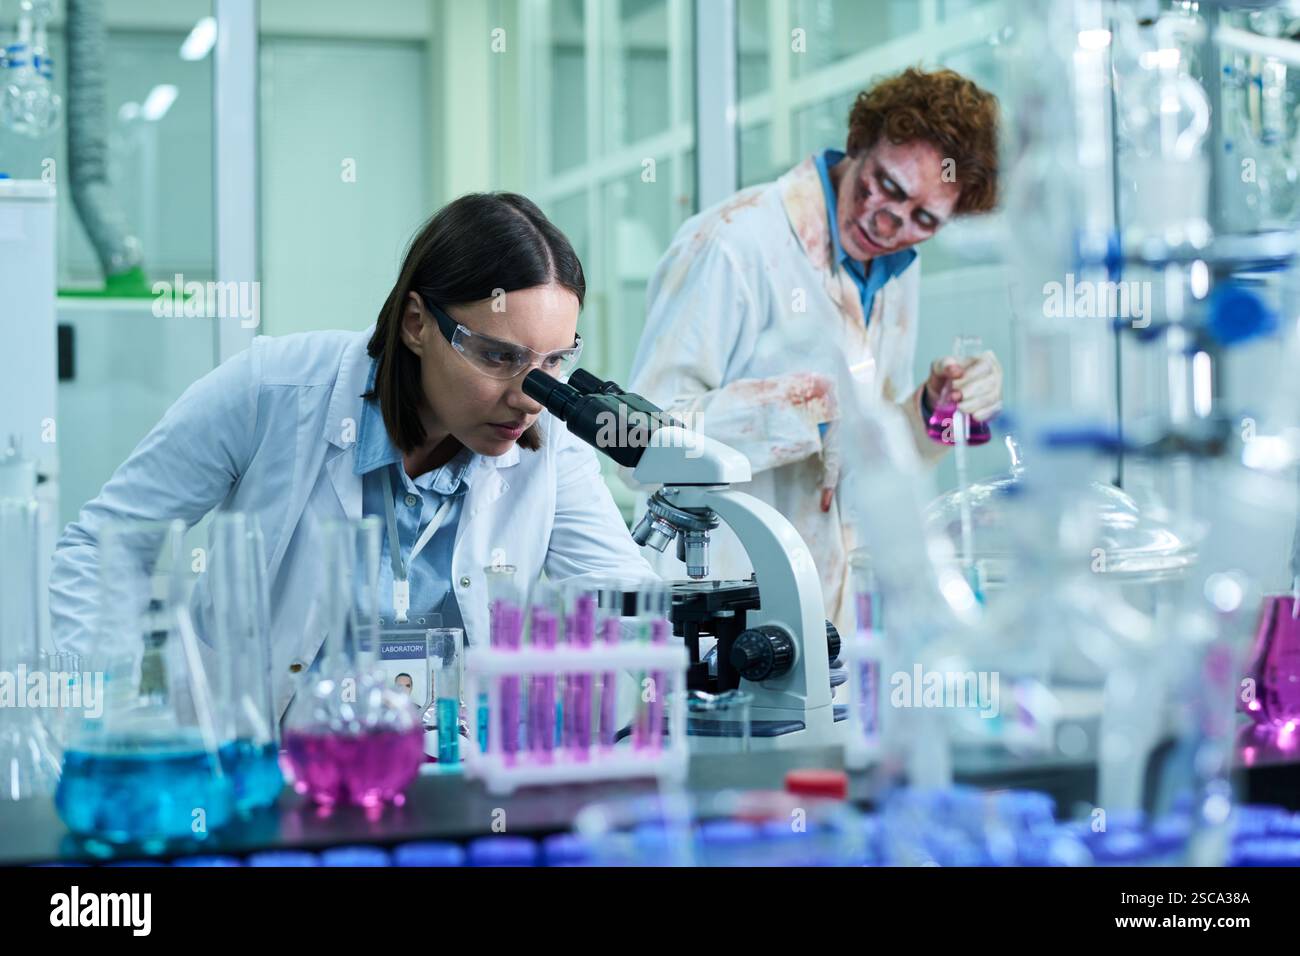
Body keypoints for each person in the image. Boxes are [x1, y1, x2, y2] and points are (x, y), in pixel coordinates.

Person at [51, 193, 653, 718]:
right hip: (267, 769)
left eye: (553, 362)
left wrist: (712, 674)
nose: (529, 397)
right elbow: (103, 550)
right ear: (417, 323)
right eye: (498, 357)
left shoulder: (548, 447)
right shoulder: (273, 390)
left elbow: (631, 607)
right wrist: (108, 726)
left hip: (449, 779)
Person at [626, 68, 1003, 634]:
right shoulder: (733, 243)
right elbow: (643, 443)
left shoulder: (898, 274)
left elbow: (864, 459)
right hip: (714, 604)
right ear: (860, 143)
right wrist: (815, 409)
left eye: (924, 218)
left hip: (827, 613)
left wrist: (932, 408)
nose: (889, 222)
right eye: (887, 185)